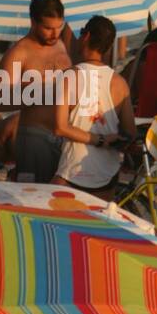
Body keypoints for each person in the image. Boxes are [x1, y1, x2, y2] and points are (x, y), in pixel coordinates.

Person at [0, 0, 73, 183]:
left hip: (64, 135)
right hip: (35, 137)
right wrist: (39, 92)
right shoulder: (19, 53)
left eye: (58, 27)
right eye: (47, 28)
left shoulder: (60, 44)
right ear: (33, 22)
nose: (54, 33)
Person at [53, 15, 135, 197]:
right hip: (108, 174)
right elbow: (130, 132)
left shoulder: (70, 77)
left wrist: (98, 139)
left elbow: (59, 127)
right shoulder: (120, 83)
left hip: (73, 172)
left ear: (87, 36)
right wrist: (109, 137)